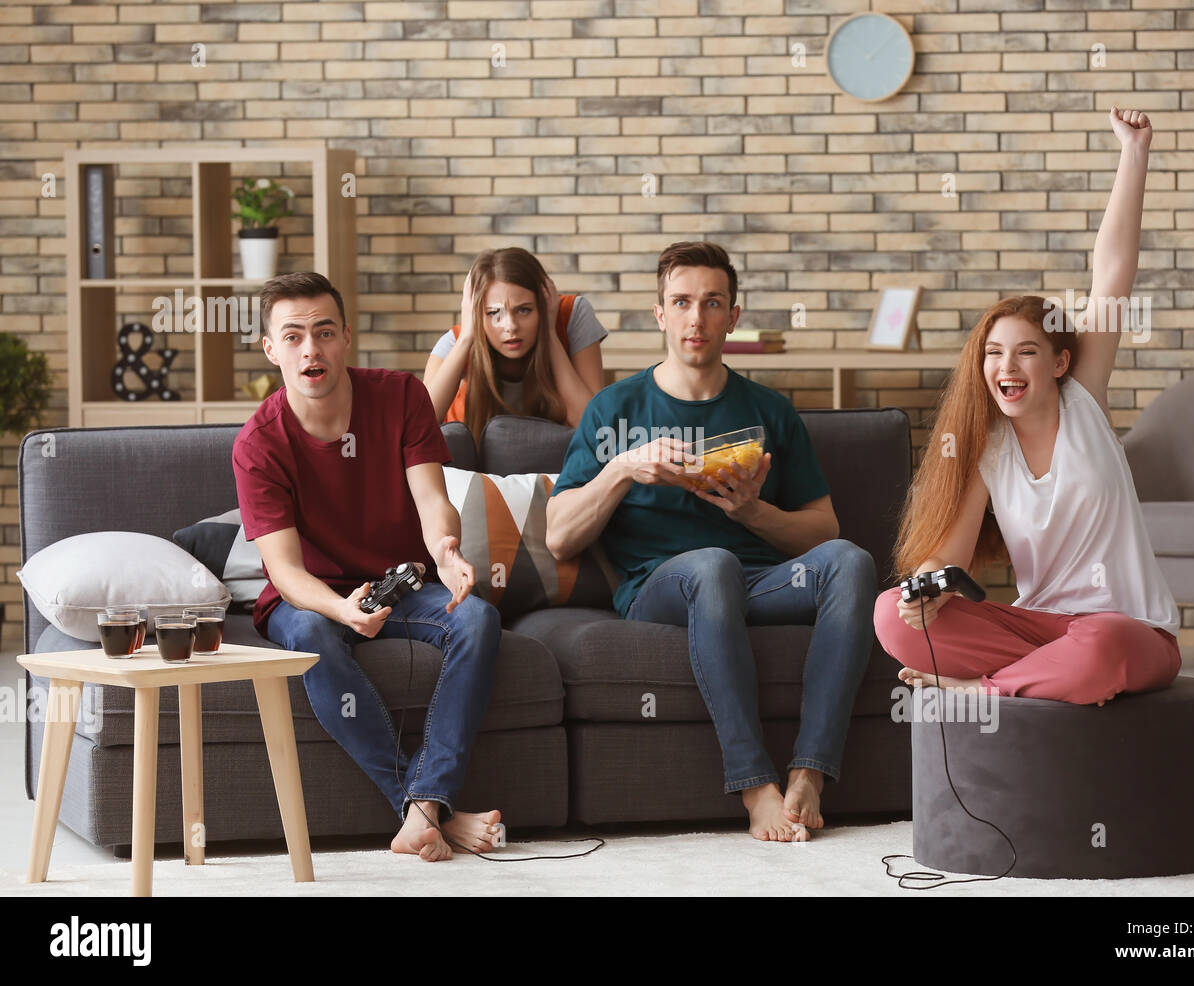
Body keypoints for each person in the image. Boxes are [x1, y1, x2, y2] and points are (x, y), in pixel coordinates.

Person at [546, 241, 877, 844]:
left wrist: (753, 512)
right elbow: (560, 535)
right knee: (711, 565)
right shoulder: (613, 409)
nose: (696, 318)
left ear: (733, 314)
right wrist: (623, 468)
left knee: (852, 562)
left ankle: (809, 773)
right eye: (682, 302)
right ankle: (755, 785)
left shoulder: (768, 411)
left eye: (711, 303)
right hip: (662, 588)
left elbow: (823, 528)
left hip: (761, 585)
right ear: (659, 313)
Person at [874, 109, 1180, 707]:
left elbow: (1112, 272)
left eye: (1026, 353)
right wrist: (927, 590)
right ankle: (1031, 681)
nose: (1006, 368)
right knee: (890, 616)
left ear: (1061, 363)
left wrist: (1134, 154)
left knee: (1099, 645)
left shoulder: (1082, 400)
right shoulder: (987, 446)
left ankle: (979, 691)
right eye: (993, 353)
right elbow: (950, 554)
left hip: (1130, 631)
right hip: (1037, 631)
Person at [233, 271, 503, 863]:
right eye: (295, 335)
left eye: (325, 332)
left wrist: (447, 551)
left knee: (478, 619)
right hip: (310, 596)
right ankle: (425, 807)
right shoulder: (259, 443)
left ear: (346, 338)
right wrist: (340, 609)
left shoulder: (400, 397)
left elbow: (432, 499)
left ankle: (426, 809)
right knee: (308, 635)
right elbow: (282, 569)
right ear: (271, 349)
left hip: (398, 582)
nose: (312, 349)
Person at [423, 247, 608, 439]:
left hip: (554, 458)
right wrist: (467, 339)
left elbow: (594, 427)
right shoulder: (457, 341)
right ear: (475, 313)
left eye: (524, 310)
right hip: (474, 463)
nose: (510, 326)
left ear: (543, 306)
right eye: (494, 313)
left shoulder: (570, 315)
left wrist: (549, 334)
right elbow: (419, 426)